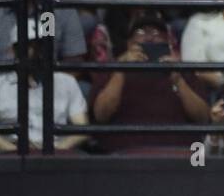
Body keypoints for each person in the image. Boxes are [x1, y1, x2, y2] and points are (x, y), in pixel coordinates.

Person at [89, 10, 210, 155]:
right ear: (129, 43)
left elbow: (202, 117)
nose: (149, 38)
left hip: (179, 152)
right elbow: (101, 115)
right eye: (141, 33)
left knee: (199, 160)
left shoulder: (183, 71)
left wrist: (179, 81)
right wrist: (121, 70)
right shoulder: (112, 71)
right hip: (124, 152)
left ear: (169, 43)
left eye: (156, 34)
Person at [0, 17, 89, 153]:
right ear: (14, 50)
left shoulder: (67, 82)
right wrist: (13, 151)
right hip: (12, 154)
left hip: (57, 152)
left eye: (39, 45)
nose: (35, 52)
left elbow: (82, 128)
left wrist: (56, 150)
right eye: (28, 45)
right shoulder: (0, 85)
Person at [87, 0, 179, 64]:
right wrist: (122, 62)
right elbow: (99, 75)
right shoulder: (103, 34)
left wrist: (173, 62)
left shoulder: (161, 25)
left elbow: (175, 56)